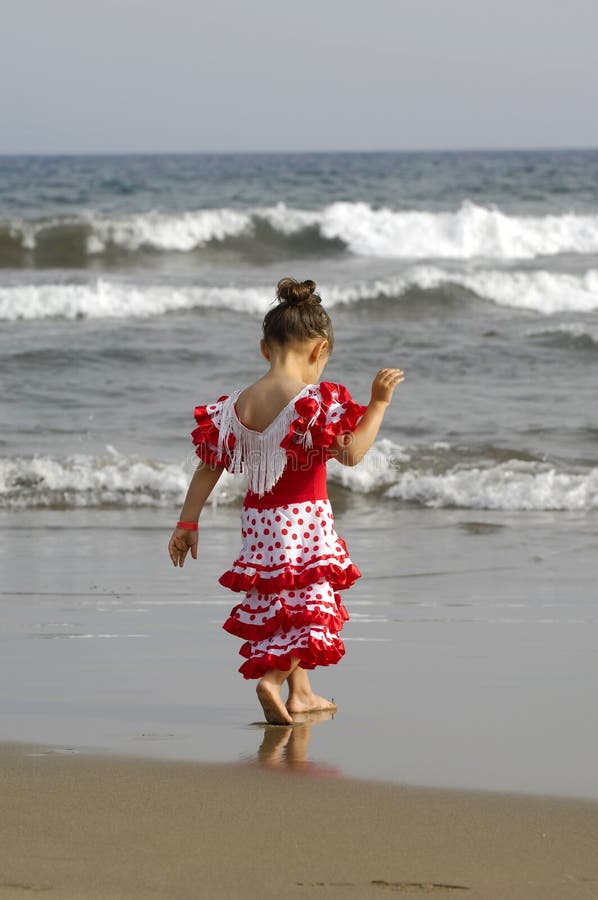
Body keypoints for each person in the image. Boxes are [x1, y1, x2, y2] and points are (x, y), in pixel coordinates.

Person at [168, 277, 403, 725]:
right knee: (312, 606)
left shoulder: (235, 407)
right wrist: (378, 405)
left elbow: (208, 468)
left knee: (284, 604)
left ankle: (302, 694)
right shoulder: (316, 401)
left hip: (259, 524)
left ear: (264, 349)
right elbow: (352, 453)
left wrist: (188, 524)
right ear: (320, 352)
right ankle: (273, 680)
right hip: (305, 521)